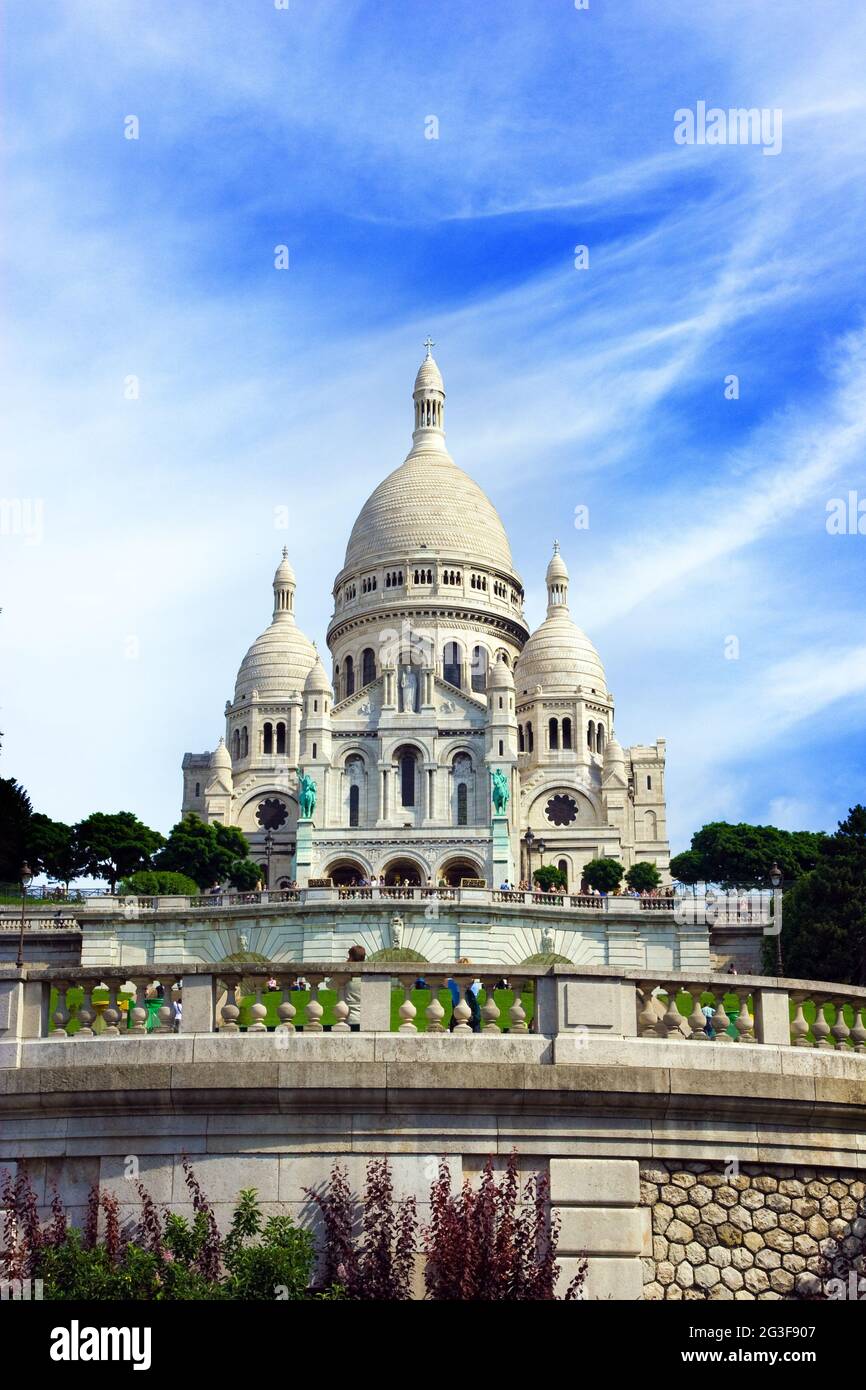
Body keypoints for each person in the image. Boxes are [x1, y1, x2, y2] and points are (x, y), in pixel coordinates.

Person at [345, 944, 365, 1031]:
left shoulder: (345, 976)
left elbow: (329, 985)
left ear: (351, 958)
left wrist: (344, 967)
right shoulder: (368, 976)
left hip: (350, 1019)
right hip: (366, 1019)